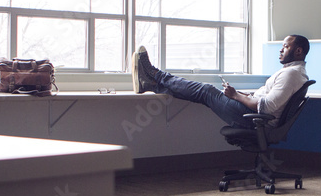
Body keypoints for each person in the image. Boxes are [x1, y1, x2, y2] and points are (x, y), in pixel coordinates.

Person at [131, 35, 310, 129]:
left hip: (255, 120)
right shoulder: (293, 72)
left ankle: (155, 75)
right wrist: (244, 95)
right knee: (205, 92)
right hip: (254, 115)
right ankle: (151, 83)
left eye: (286, 46)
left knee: (206, 91)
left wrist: (236, 96)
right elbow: (268, 101)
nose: (280, 50)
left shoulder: (291, 74)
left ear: (298, 51)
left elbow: (267, 107)